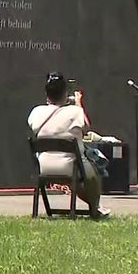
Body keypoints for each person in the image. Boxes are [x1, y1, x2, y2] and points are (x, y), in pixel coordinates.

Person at [26, 72, 108, 219]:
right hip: (70, 167)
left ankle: (96, 208)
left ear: (47, 94)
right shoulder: (75, 111)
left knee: (79, 173)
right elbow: (87, 128)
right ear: (65, 92)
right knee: (94, 171)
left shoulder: (36, 112)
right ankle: (95, 209)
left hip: (43, 167)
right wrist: (78, 103)